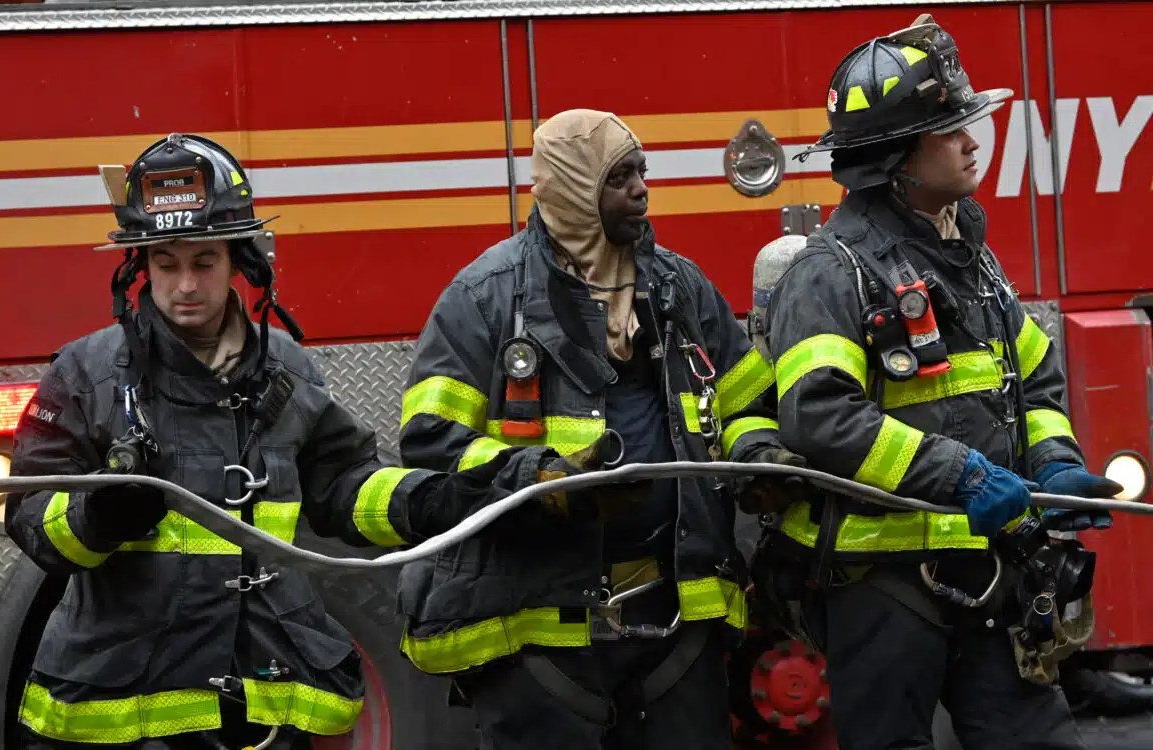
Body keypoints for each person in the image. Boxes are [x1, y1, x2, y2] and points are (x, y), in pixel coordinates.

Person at [6, 133, 504, 749]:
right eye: (167, 264)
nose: (185, 285)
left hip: (263, 703)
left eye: (204, 262)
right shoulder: (86, 374)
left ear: (238, 262)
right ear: (141, 269)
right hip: (125, 712)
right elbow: (30, 518)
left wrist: (432, 499)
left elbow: (344, 484)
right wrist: (98, 517)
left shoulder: (285, 370)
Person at [765, 16, 1121, 750]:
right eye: (948, 129)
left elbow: (1035, 379)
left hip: (993, 566)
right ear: (896, 157)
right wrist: (960, 475)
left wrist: (1051, 461)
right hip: (883, 585)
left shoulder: (969, 256)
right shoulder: (831, 274)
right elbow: (821, 417)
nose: (972, 140)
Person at [394, 108, 802, 749]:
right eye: (618, 178)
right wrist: (545, 482)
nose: (640, 189)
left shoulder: (679, 289)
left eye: (641, 172)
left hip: (677, 616)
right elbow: (431, 441)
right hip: (540, 632)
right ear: (572, 189)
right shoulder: (485, 298)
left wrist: (757, 452)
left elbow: (747, 399)